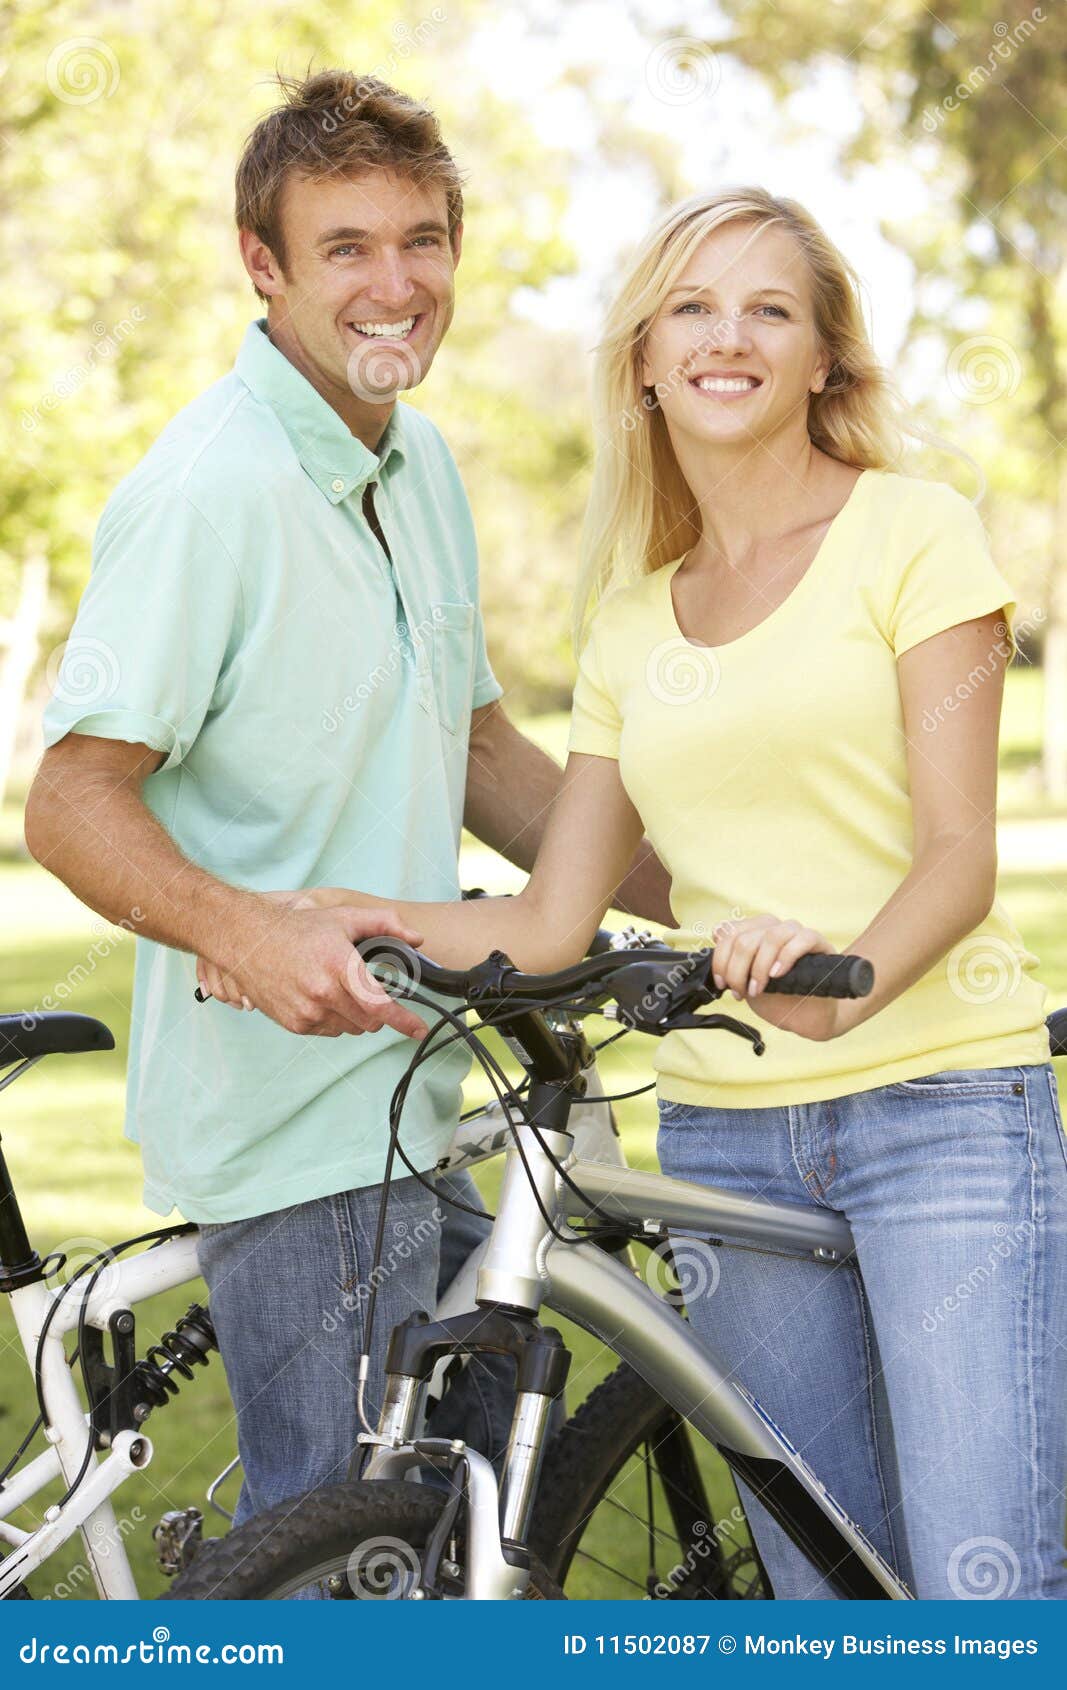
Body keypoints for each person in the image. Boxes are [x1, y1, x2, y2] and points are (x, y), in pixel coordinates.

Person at [207, 187, 1067, 1599]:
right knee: (820, 1602)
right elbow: (552, 917)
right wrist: (321, 918)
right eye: (693, 308)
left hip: (944, 1113)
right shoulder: (628, 615)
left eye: (770, 310)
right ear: (648, 359)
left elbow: (961, 855)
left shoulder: (914, 533)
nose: (730, 337)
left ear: (824, 361)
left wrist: (843, 984)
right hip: (725, 1140)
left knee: (987, 1594)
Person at [23, 69, 672, 1527]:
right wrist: (242, 929)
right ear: (262, 266)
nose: (397, 284)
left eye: (422, 239)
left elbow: (486, 752)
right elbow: (69, 799)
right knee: (352, 1574)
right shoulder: (212, 489)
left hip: (428, 1091)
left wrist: (702, 898)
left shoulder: (418, 460)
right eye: (347, 249)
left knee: (464, 1546)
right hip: (302, 1135)